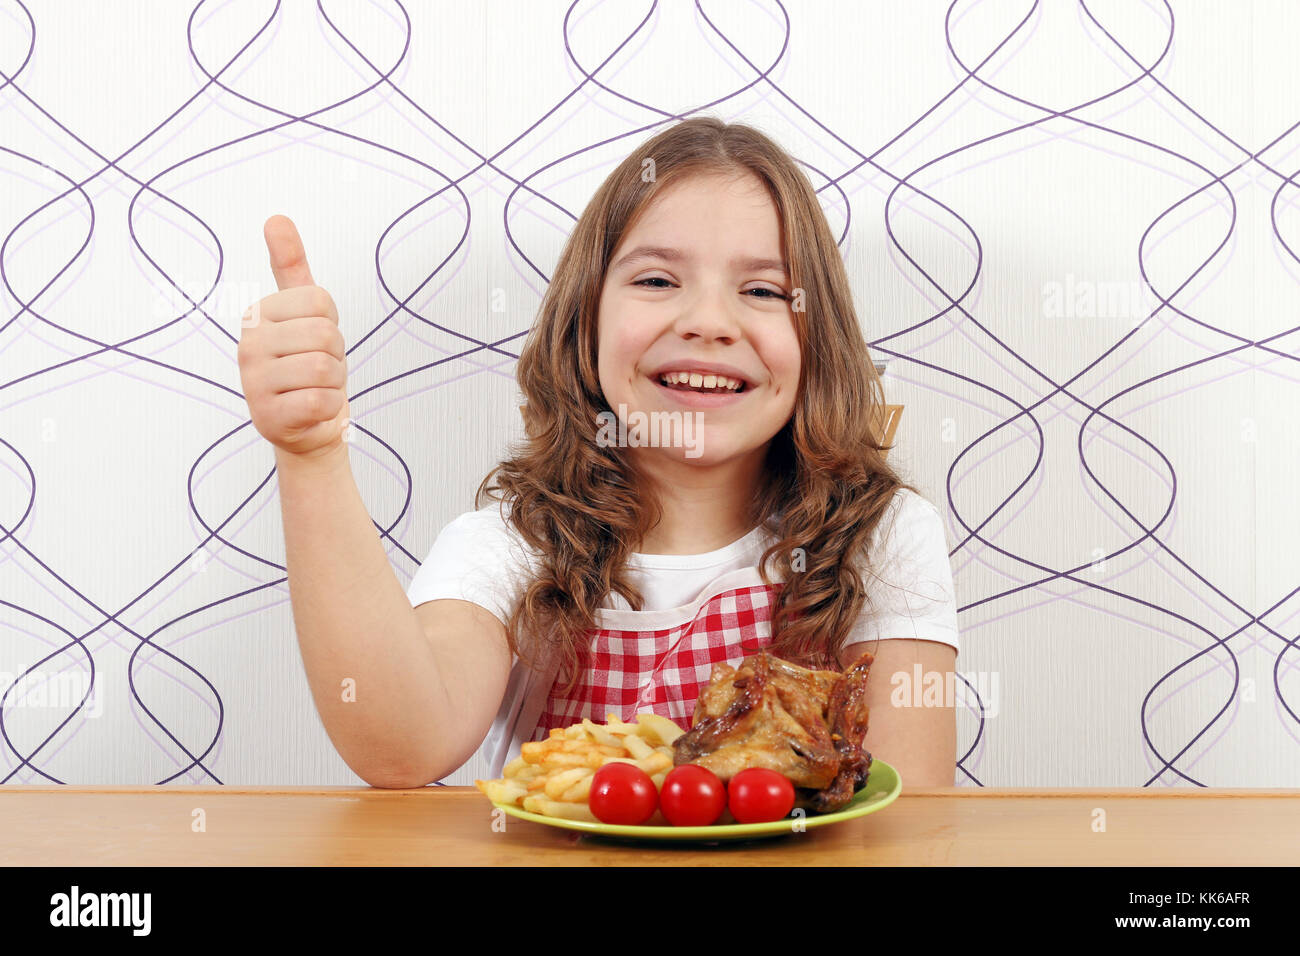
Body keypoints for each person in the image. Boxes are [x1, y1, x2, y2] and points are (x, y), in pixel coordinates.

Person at [240, 117, 959, 791]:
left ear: (816, 338)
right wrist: (311, 456)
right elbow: (400, 743)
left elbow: (900, 821)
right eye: (655, 280)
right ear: (585, 320)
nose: (708, 321)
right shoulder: (513, 546)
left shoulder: (885, 538)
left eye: (764, 290)